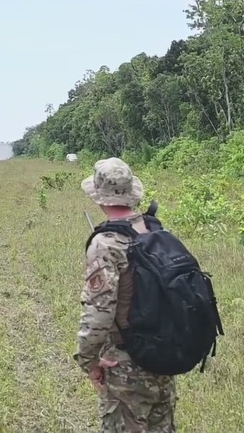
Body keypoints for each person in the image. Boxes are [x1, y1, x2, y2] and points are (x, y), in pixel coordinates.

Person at [74, 157, 177, 432]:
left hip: (126, 364)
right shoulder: (153, 229)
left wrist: (90, 361)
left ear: (99, 197)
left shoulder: (105, 244)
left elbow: (99, 313)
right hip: (163, 357)